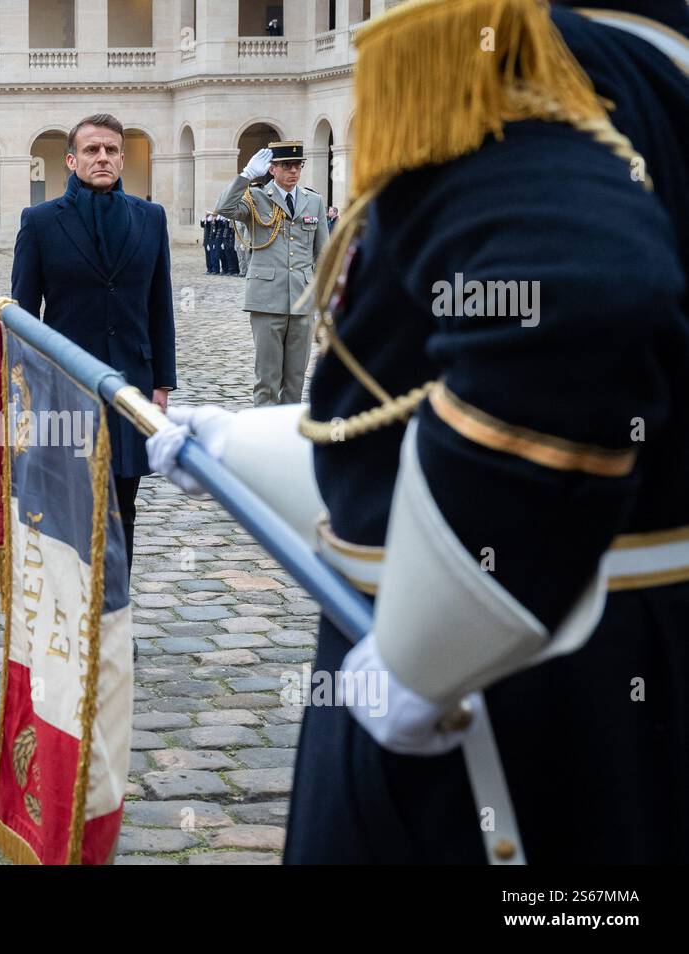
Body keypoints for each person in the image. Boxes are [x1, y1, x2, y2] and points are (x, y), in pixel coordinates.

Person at [149, 0, 689, 864]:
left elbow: (576, 308)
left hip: (514, 704)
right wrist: (249, 446)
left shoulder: (517, 65)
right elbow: (412, 395)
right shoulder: (658, 70)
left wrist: (430, 650)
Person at [11, 112, 176, 579]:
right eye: (91, 150)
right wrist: (28, 394)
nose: (101, 157)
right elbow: (24, 317)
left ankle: (114, 620)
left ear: (122, 158)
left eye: (110, 150)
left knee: (123, 510)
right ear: (71, 159)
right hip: (66, 389)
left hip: (131, 388)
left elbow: (159, 303)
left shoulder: (150, 218)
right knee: (73, 510)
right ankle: (73, 616)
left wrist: (162, 382)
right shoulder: (40, 222)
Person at [216, 141, 328, 405]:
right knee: (266, 379)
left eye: (297, 165)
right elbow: (224, 208)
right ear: (272, 169)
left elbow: (323, 253)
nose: (293, 171)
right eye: (286, 166)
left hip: (302, 299)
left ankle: (287, 436)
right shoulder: (256, 197)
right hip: (267, 298)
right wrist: (245, 176)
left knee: (296, 379)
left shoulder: (314, 201)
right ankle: (265, 435)